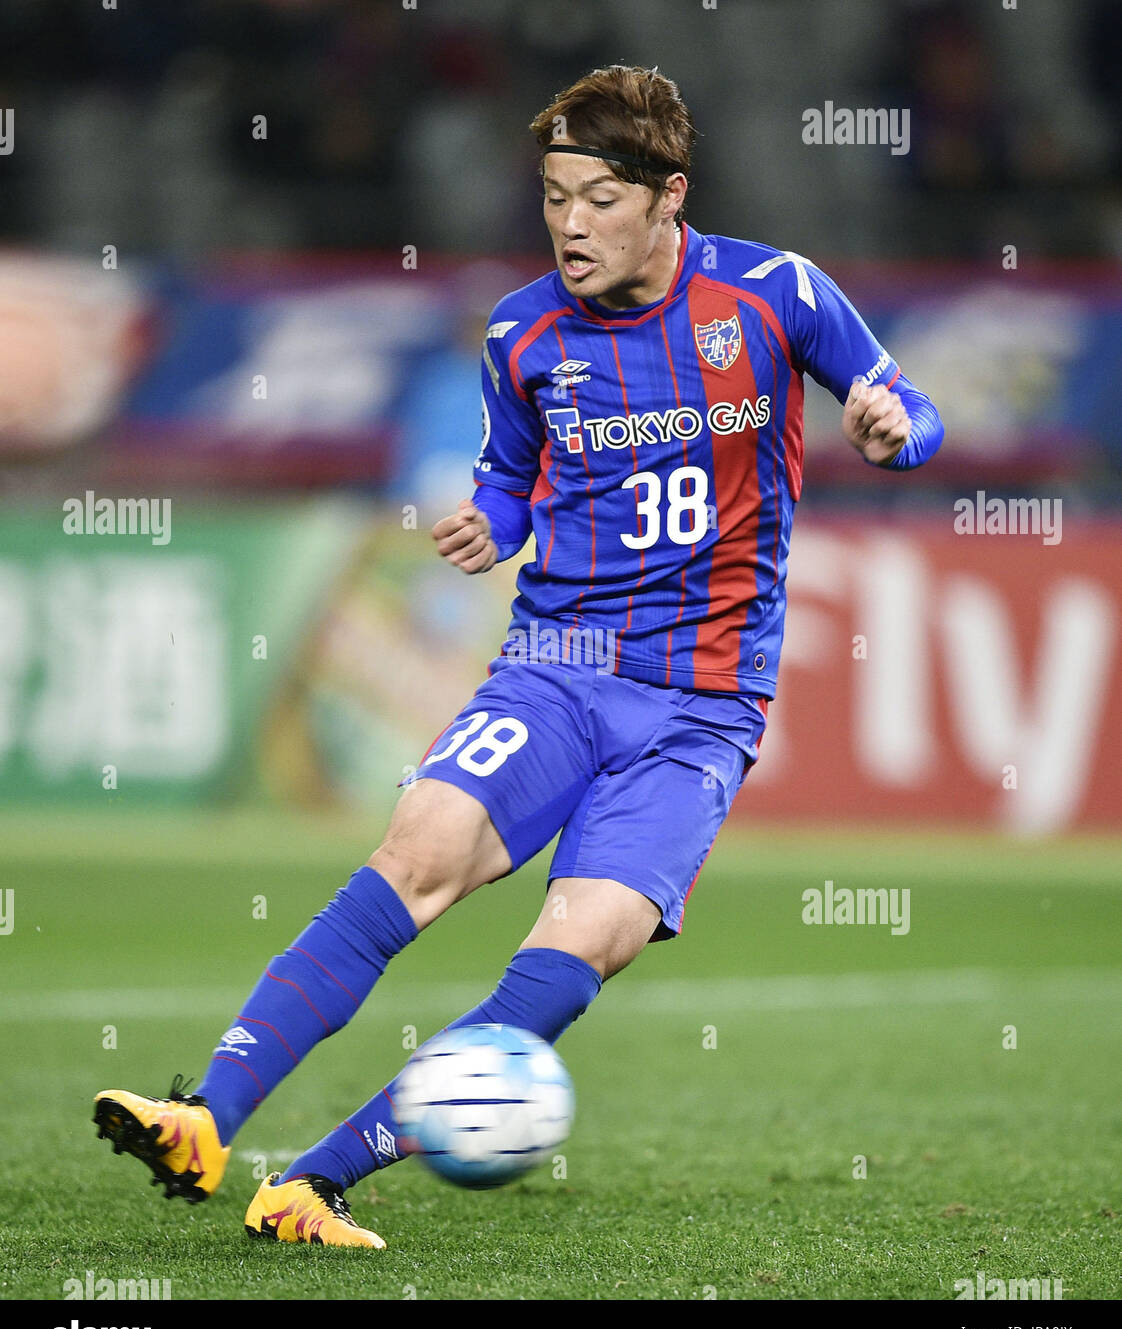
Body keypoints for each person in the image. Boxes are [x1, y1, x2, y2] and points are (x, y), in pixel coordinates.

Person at [93, 64, 943, 1248]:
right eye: (553, 197)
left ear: (667, 195)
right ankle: (204, 1118)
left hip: (700, 708)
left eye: (598, 198)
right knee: (420, 850)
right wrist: (495, 520)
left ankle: (319, 1183)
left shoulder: (773, 293)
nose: (571, 225)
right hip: (554, 670)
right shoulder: (523, 333)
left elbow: (909, 406)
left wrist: (894, 429)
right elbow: (507, 476)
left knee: (577, 948)